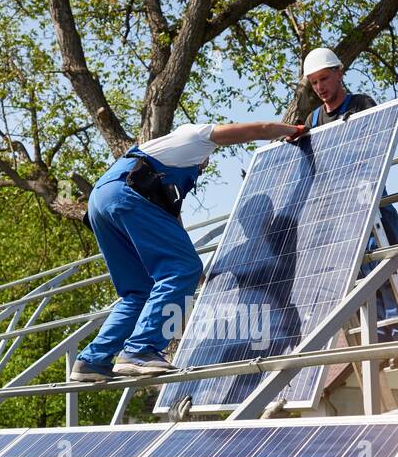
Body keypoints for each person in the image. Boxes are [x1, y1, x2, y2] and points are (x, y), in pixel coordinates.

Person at [71, 119, 306, 381]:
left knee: (139, 291)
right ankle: (140, 350)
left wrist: (194, 272)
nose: (204, 167)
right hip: (126, 196)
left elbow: (172, 222)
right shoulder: (197, 136)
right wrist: (292, 131)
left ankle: (92, 361)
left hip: (101, 202)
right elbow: (258, 129)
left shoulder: (166, 159)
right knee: (180, 269)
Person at [301, 47, 398, 328]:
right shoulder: (313, 120)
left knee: (384, 266)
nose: (320, 87)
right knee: (353, 274)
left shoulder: (362, 104)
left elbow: (377, 147)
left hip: (369, 200)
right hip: (337, 211)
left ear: (340, 73)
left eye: (324, 79)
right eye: (314, 82)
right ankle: (371, 335)